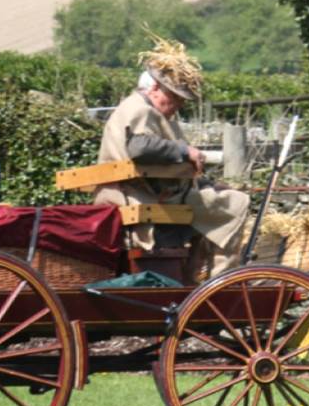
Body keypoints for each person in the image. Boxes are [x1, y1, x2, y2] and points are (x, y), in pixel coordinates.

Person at [93, 35, 250, 278]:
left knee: (216, 201)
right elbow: (140, 148)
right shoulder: (140, 110)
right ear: (154, 88)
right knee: (237, 203)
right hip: (141, 198)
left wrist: (206, 184)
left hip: (144, 194)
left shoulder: (141, 109)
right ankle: (222, 280)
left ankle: (193, 279)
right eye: (174, 96)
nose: (178, 104)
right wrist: (185, 151)